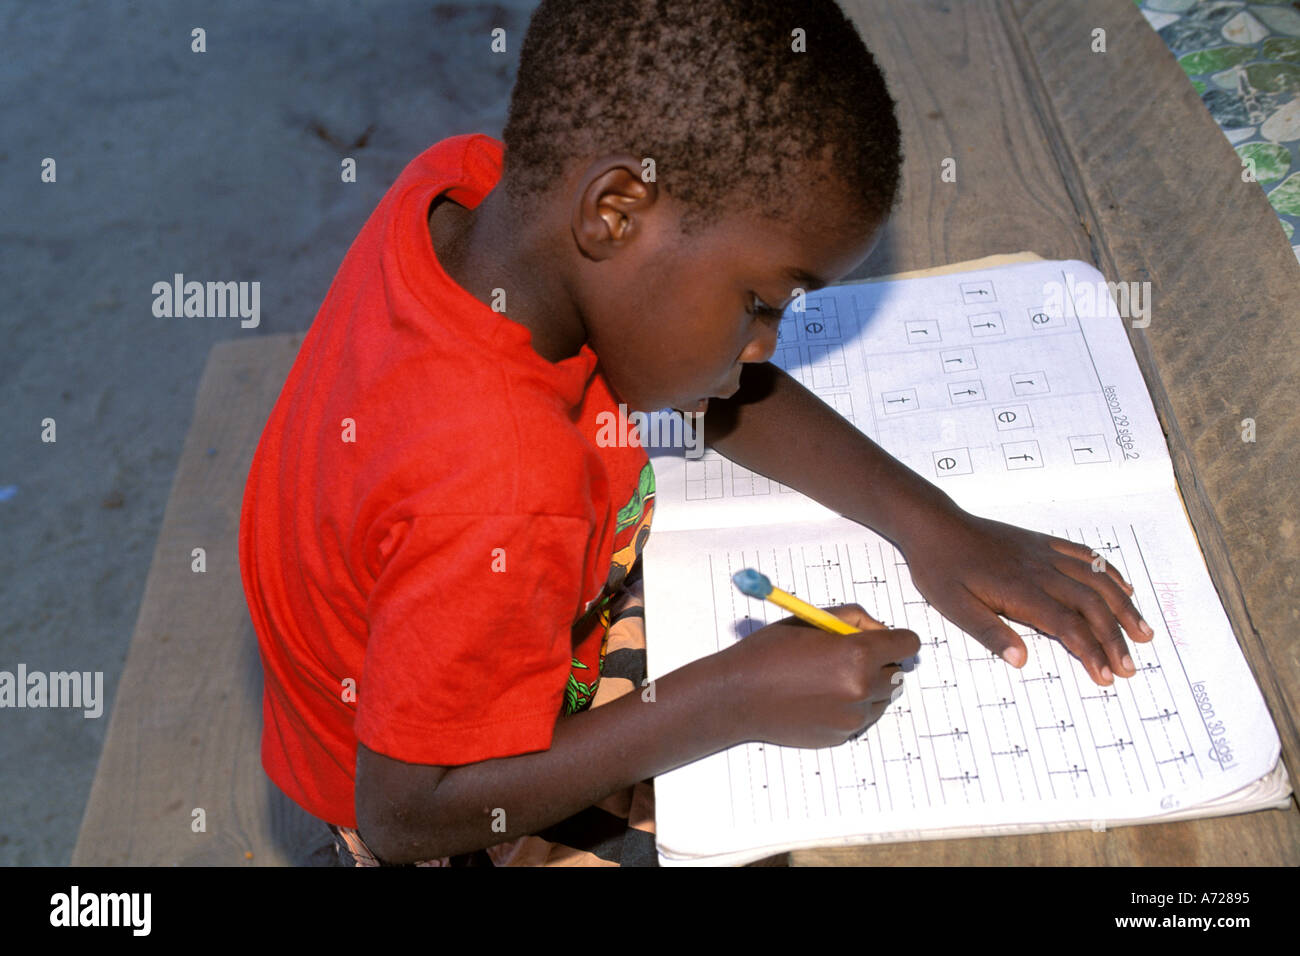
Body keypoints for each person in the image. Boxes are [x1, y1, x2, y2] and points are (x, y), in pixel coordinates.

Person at [239, 0, 1153, 867]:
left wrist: (931, 525)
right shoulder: (501, 488)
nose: (765, 347)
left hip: (444, 657)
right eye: (761, 303)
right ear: (614, 213)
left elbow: (715, 389)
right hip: (448, 805)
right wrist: (730, 699)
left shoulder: (472, 194)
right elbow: (403, 813)